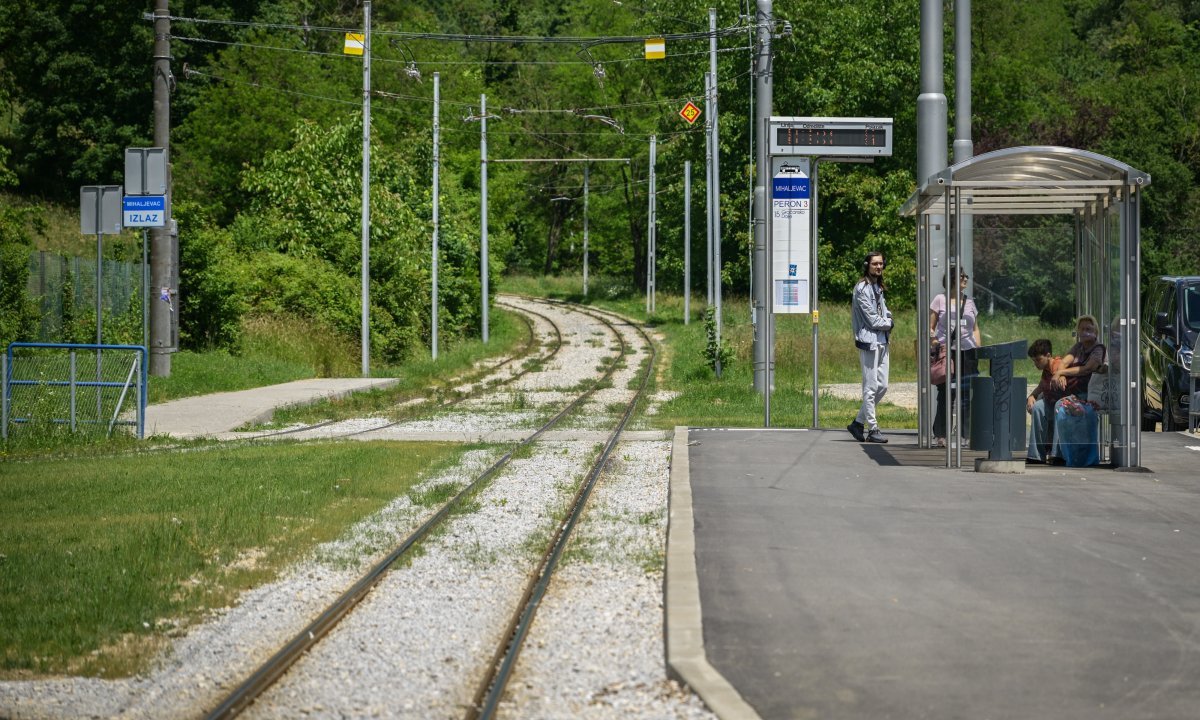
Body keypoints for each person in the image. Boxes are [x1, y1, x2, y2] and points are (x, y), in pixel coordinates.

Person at [928, 270, 981, 448]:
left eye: (967, 276)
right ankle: (941, 433)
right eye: (962, 276)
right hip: (946, 351)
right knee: (946, 393)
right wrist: (934, 341)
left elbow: (975, 328)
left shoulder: (970, 302)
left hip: (968, 351)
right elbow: (931, 326)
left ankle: (966, 434)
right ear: (952, 279)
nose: (966, 279)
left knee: (966, 393)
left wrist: (978, 348)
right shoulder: (939, 300)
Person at [1046, 315, 1106, 465]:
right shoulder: (1078, 347)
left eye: (1089, 329)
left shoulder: (1098, 349)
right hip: (1073, 391)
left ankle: (1059, 454)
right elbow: (1063, 362)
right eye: (1082, 329)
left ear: (1095, 331)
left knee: (1061, 406)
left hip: (1088, 394)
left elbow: (1086, 369)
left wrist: (1062, 373)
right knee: (1045, 405)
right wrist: (1060, 374)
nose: (1085, 332)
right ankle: (1048, 453)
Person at [847, 251, 894, 444]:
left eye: (881, 264)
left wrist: (888, 320)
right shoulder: (862, 288)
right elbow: (872, 319)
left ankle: (858, 423)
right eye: (875, 264)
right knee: (870, 386)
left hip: (882, 340)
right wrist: (889, 323)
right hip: (869, 341)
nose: (878, 267)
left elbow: (885, 311)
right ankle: (873, 429)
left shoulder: (878, 287)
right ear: (867, 265)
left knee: (882, 386)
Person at [1024, 338, 1063, 463]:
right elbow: (1041, 387)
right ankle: (1036, 454)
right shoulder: (1046, 370)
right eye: (1034, 361)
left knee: (1058, 406)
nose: (1036, 364)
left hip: (1062, 403)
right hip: (1051, 402)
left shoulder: (1057, 365)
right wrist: (1031, 396)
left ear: (1048, 356)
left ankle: (1057, 454)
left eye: (1038, 360)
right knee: (1038, 407)